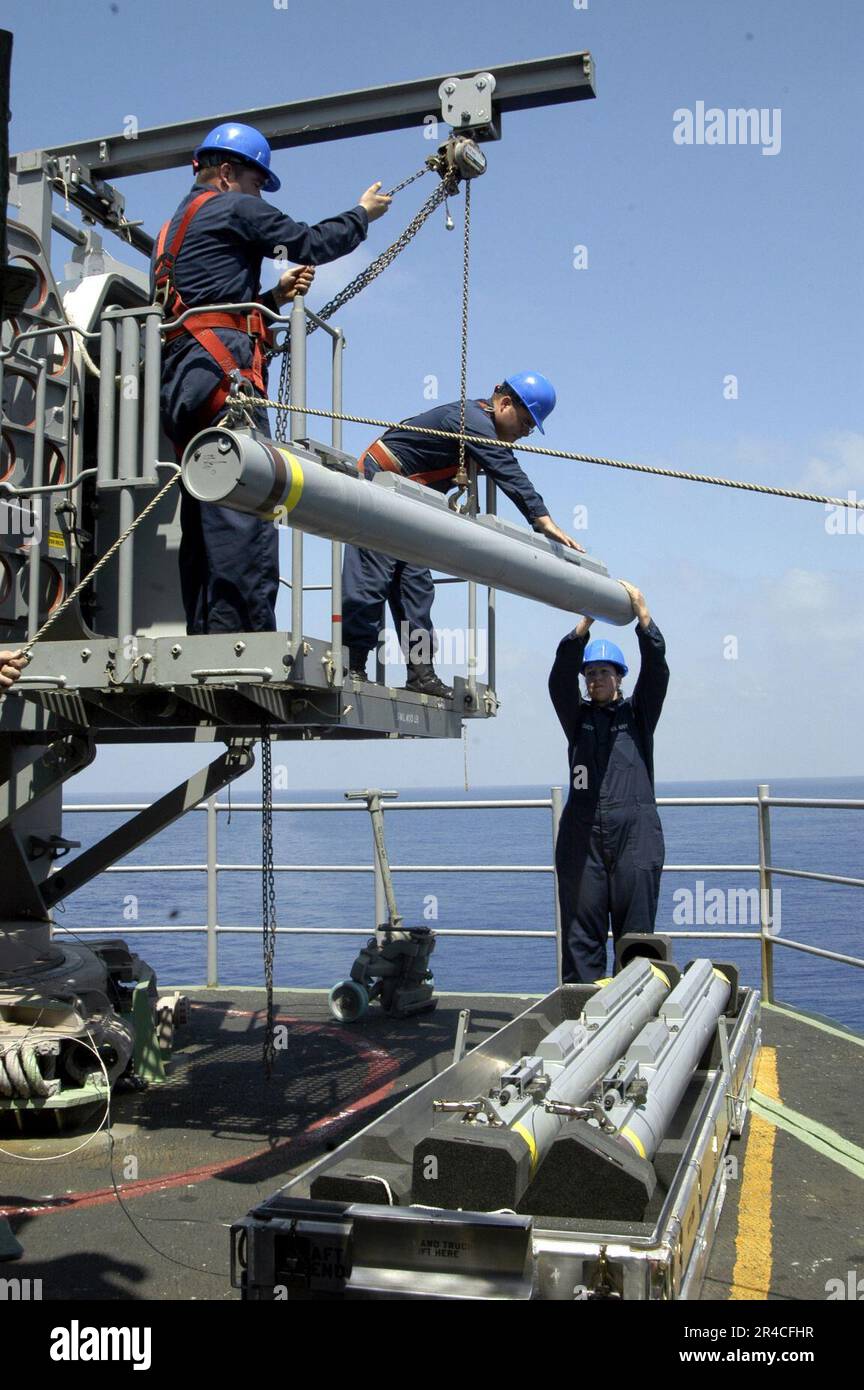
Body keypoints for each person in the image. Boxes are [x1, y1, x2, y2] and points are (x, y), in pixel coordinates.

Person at [151, 121, 391, 635]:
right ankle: (241, 645)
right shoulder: (233, 205)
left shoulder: (172, 230)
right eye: (259, 182)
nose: (261, 193)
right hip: (224, 382)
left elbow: (206, 307)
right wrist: (362, 215)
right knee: (246, 506)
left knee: (204, 516)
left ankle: (205, 638)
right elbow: (307, 241)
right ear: (228, 171)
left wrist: (273, 299)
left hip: (186, 384)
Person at [342, 372, 583, 697]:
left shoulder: (482, 427)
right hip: (380, 484)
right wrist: (542, 519)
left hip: (411, 500)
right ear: (506, 403)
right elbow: (507, 469)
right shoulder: (471, 418)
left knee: (416, 588)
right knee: (372, 578)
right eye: (525, 424)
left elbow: (503, 462)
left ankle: (421, 674)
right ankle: (353, 665)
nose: (525, 434)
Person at [548, 582, 669, 982]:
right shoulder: (576, 719)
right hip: (583, 838)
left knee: (635, 939)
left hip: (635, 835)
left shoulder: (638, 717)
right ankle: (581, 1017)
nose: (595, 679)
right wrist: (583, 625)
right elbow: (557, 681)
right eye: (590, 672)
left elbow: (657, 671)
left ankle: (636, 1014)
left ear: (619, 678)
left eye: (604, 672)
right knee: (582, 934)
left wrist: (644, 619)